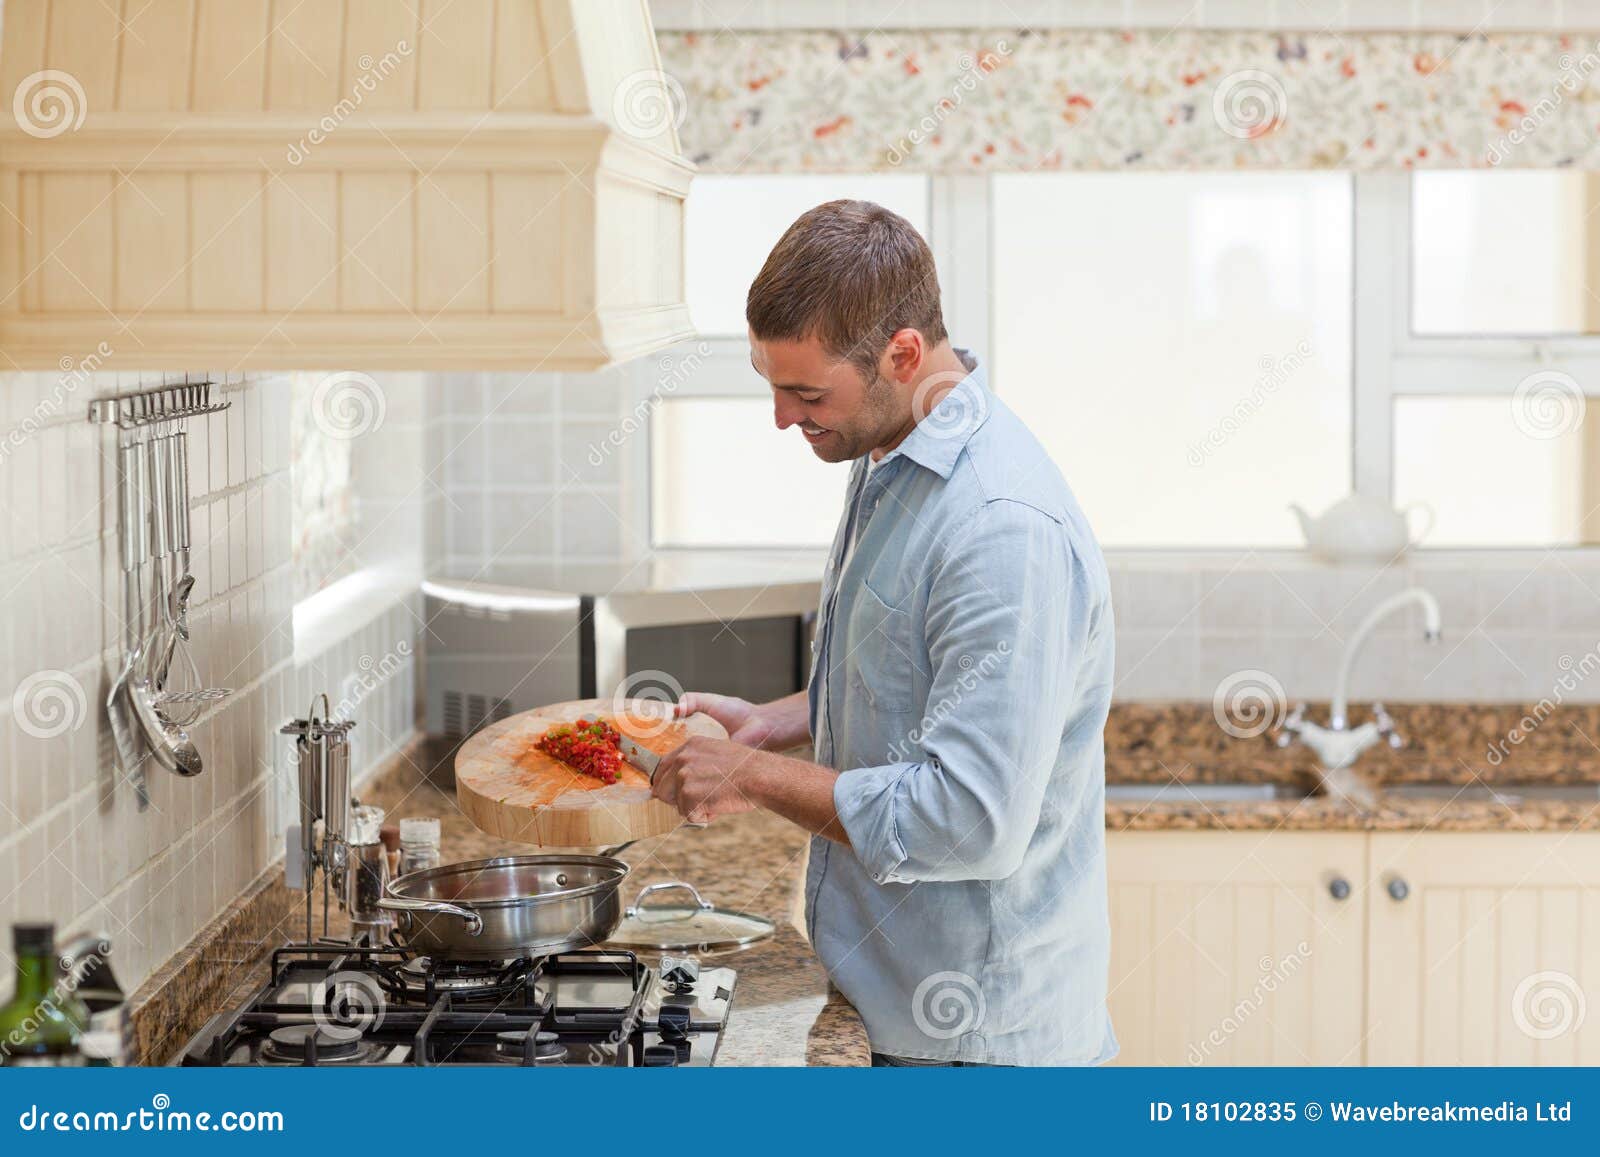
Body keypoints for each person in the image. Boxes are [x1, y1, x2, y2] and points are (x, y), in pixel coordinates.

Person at [651, 199, 1116, 1067]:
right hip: (894, 1006)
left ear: (902, 354)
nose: (782, 417)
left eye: (806, 393)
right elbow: (914, 672)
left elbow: (970, 818)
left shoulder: (1000, 528)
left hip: (974, 1047)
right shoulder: (893, 450)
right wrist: (779, 722)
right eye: (771, 384)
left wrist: (752, 776)